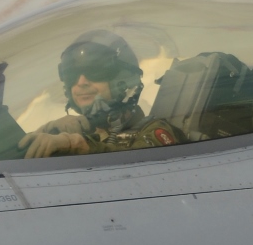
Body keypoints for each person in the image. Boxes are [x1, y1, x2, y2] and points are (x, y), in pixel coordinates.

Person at [23, 33, 181, 156]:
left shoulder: (155, 131)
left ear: (122, 80)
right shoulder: (75, 133)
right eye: (72, 74)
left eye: (95, 71)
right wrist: (48, 130)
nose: (81, 82)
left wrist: (74, 145)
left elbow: (135, 168)